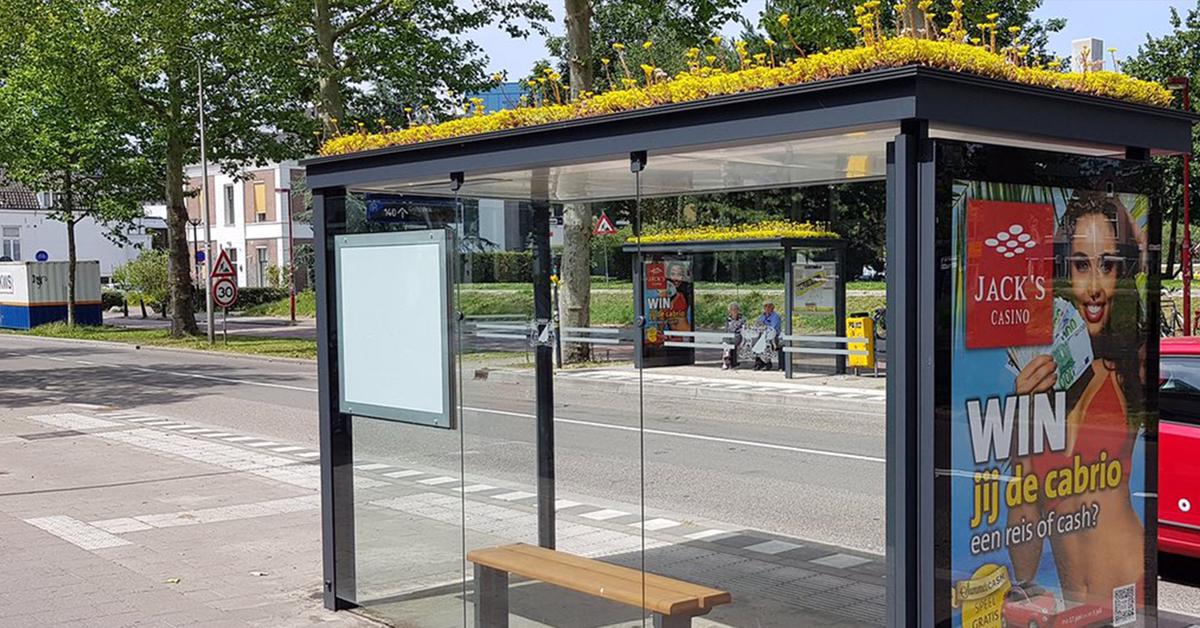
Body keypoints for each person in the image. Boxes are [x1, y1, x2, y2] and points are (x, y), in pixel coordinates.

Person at [1007, 191, 1147, 612]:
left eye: (1108, 265)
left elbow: (1141, 243)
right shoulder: (1040, 375)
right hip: (1072, 607)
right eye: (1081, 264)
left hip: (1128, 586)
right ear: (1063, 270)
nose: (1093, 286)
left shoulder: (1130, 364)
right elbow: (1025, 508)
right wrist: (1021, 415)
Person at [753, 301, 782, 371]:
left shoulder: (775, 316)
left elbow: (773, 328)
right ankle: (759, 363)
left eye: (769, 306)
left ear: (773, 308)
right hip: (762, 335)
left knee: (765, 343)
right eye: (765, 306)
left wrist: (764, 327)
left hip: (773, 336)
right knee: (755, 341)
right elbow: (758, 324)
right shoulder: (762, 316)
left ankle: (767, 363)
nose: (767, 308)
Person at [723, 302, 744, 369]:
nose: (734, 311)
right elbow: (726, 329)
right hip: (729, 336)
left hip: (738, 336)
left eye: (735, 309)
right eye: (732, 309)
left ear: (738, 310)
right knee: (726, 340)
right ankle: (726, 359)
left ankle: (726, 359)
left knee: (729, 340)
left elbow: (743, 329)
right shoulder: (728, 318)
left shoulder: (742, 318)